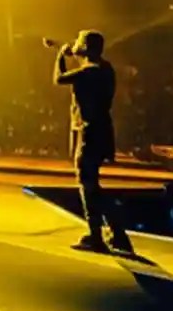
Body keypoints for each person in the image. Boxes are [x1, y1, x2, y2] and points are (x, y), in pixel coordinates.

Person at [55, 29, 133, 254]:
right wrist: (74, 51)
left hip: (89, 132)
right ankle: (117, 233)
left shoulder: (88, 72)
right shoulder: (105, 69)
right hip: (102, 132)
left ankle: (96, 235)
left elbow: (59, 78)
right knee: (92, 184)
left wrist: (60, 56)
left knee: (87, 185)